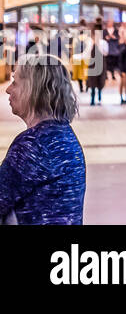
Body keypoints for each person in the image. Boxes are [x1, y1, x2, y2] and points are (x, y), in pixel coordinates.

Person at [0, 53, 86, 224]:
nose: (8, 89)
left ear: (34, 89)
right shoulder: (65, 134)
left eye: (15, 82)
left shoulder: (32, 145)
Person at [84, 29, 107, 106]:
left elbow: (106, 53)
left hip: (101, 64)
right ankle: (92, 99)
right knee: (92, 82)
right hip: (92, 65)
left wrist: (99, 46)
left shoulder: (103, 43)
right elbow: (87, 54)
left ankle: (100, 97)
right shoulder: (90, 44)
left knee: (100, 81)